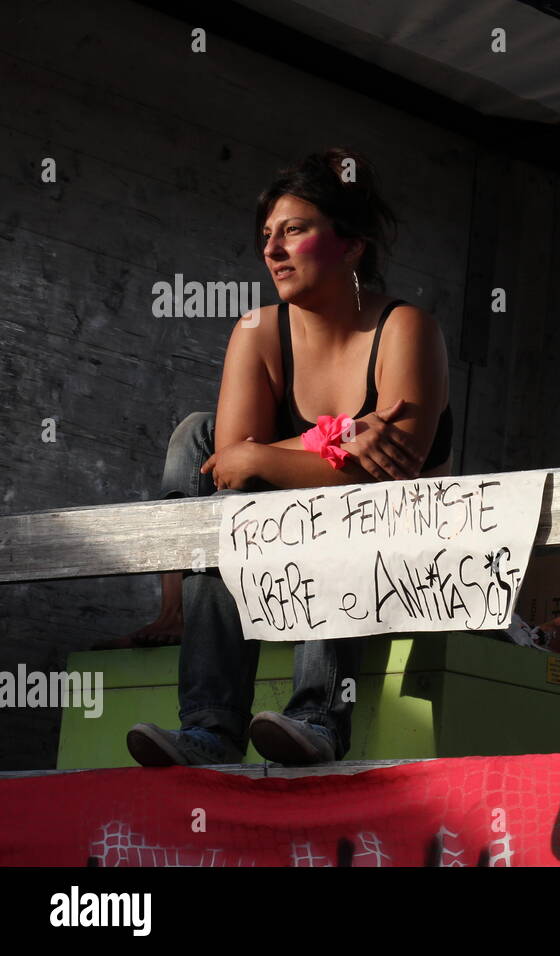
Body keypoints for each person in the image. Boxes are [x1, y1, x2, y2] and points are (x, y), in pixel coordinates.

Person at [127, 148, 453, 767]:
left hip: (394, 545)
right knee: (196, 437)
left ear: (351, 246)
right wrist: (335, 440)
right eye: (267, 236)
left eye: (295, 231)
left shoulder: (406, 328)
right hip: (276, 536)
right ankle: (209, 728)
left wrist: (262, 456)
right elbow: (224, 464)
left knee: (347, 502)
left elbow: (391, 472)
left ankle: (319, 717)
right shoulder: (257, 331)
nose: (272, 250)